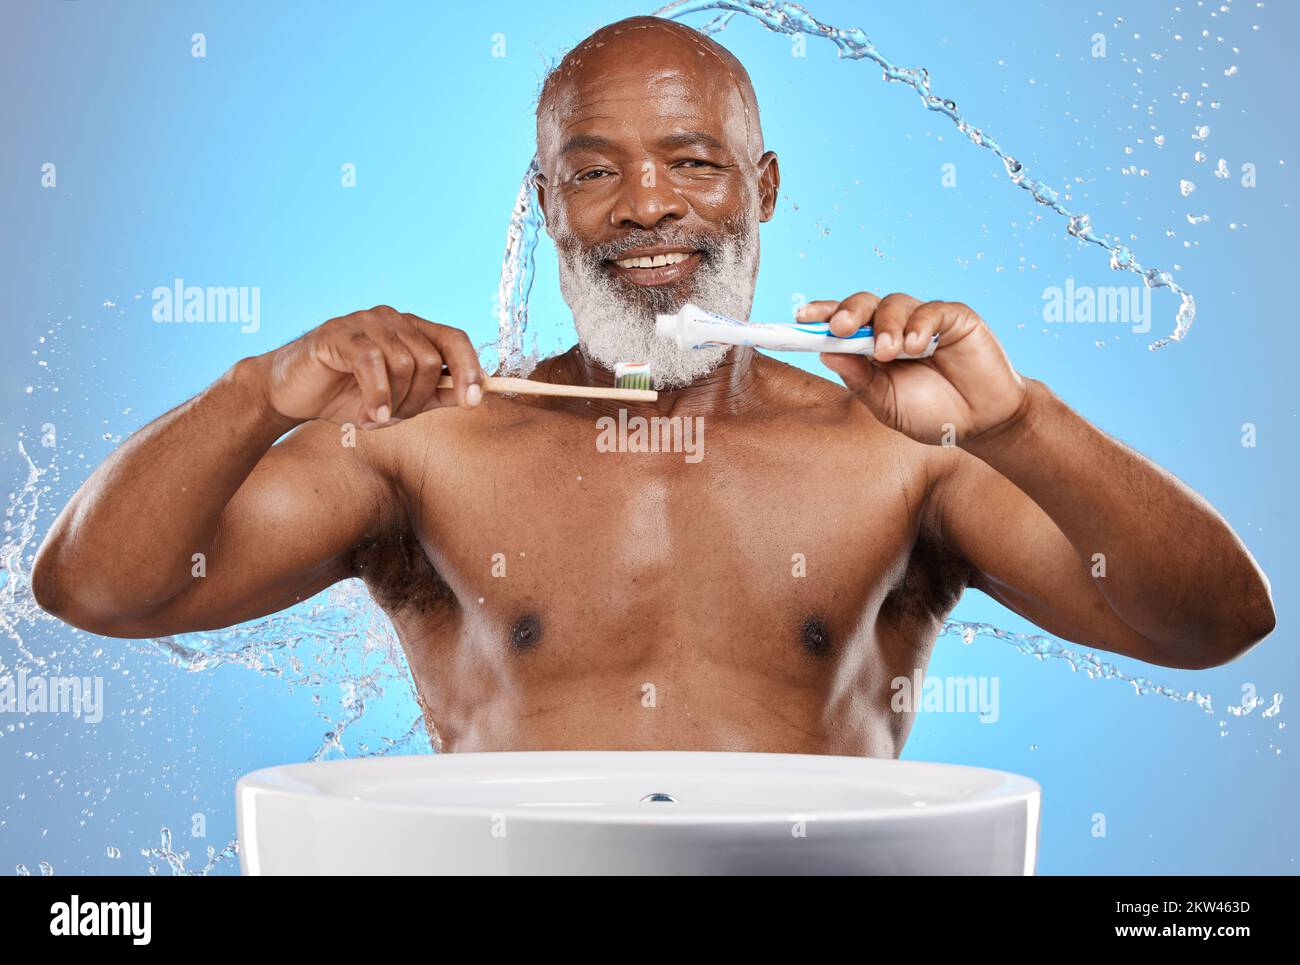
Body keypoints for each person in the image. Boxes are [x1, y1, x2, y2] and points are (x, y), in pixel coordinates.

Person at [32, 17, 1274, 755]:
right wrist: (260, 391)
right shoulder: (426, 447)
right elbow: (97, 588)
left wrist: (1015, 422)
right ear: (545, 205)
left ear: (764, 187)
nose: (647, 207)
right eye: (593, 172)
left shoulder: (898, 452)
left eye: (692, 161)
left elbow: (1213, 624)